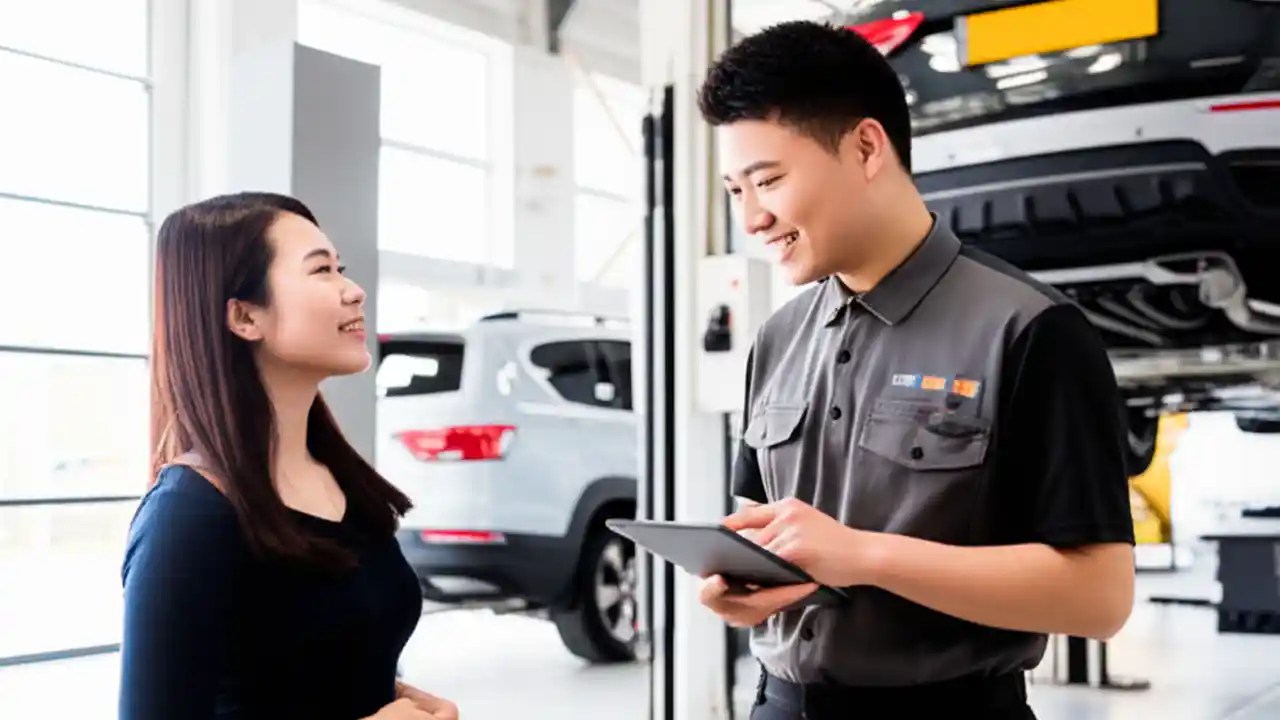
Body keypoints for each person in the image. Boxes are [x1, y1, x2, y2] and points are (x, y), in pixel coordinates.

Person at [695, 21, 1136, 719]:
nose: (752, 218)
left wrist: (866, 556)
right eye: (734, 190)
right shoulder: (778, 338)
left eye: (768, 181)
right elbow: (763, 524)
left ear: (867, 147)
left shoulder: (1031, 329)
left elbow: (1099, 598)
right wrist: (743, 586)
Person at [119, 192, 458, 720]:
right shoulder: (189, 515)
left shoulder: (343, 484)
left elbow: (304, 669)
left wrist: (403, 697)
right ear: (244, 316)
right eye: (321, 270)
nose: (354, 290)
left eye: (340, 269)